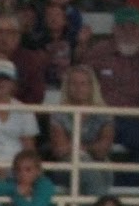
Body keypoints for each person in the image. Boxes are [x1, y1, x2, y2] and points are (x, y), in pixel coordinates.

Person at [80, 7, 139, 165]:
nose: (129, 31)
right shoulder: (98, 52)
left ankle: (120, 182)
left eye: (134, 27)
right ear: (114, 29)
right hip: (102, 117)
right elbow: (81, 83)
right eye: (123, 27)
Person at [46, 63, 113, 198]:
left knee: (99, 171)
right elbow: (60, 150)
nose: (79, 88)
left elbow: (103, 149)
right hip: (66, 166)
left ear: (91, 87)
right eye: (74, 84)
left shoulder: (104, 113)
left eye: (83, 84)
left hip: (97, 162)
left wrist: (79, 148)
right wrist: (87, 150)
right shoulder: (59, 113)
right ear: (67, 87)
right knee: (84, 165)